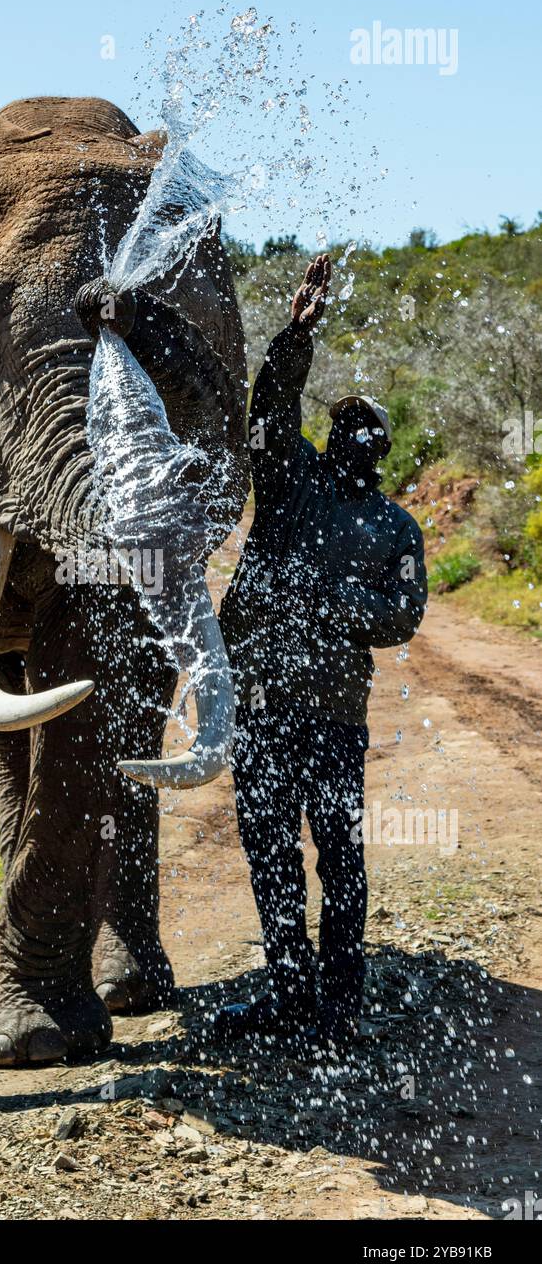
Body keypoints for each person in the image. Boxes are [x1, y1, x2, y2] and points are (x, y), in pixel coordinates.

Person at [218, 254, 427, 1047]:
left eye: (356, 428)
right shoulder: (289, 480)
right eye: (334, 423)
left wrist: (331, 601)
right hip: (261, 706)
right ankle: (287, 994)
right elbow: (270, 406)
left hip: (336, 718)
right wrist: (296, 336)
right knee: (269, 858)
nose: (342, 434)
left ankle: (338, 1009)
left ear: (376, 448)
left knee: (340, 860)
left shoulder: (395, 529)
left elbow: (403, 616)